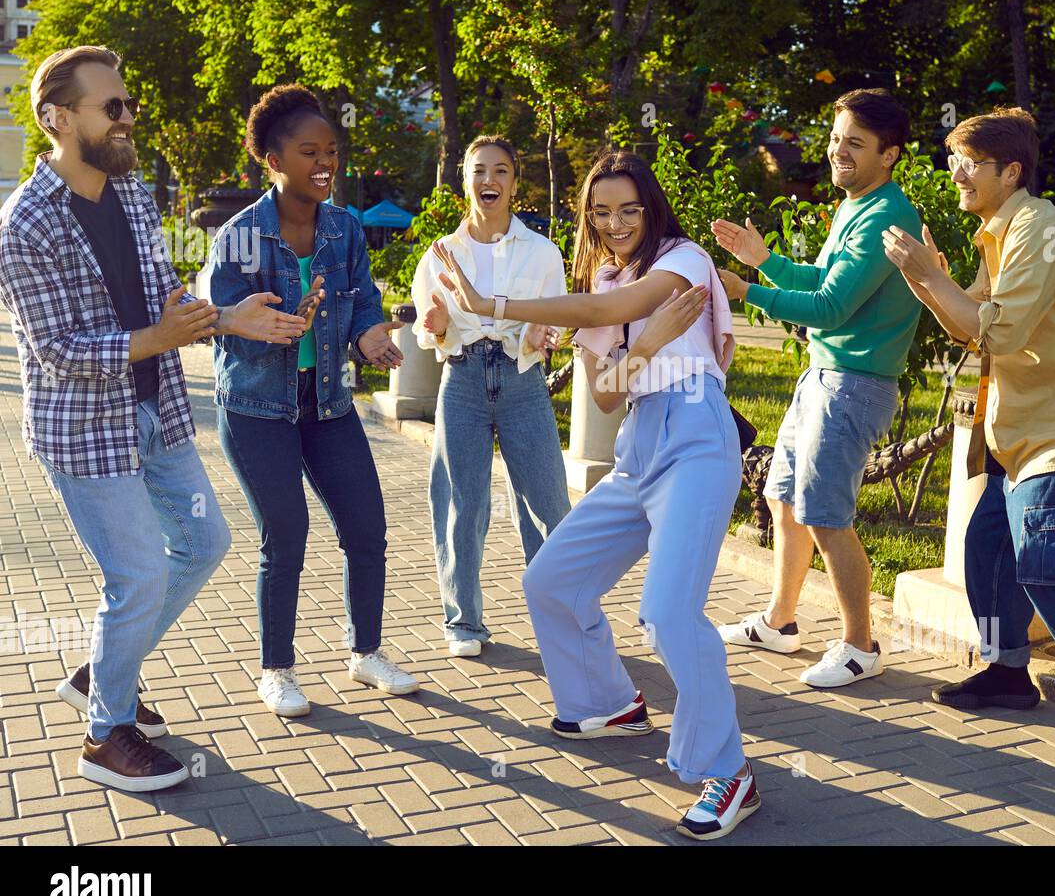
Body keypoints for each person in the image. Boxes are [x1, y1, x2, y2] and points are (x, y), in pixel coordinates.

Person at [0, 46, 311, 791]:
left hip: (156, 406)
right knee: (136, 572)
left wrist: (226, 318)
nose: (128, 116)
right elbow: (56, 352)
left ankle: (103, 669)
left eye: (128, 102)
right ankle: (105, 733)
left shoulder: (132, 193)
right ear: (57, 118)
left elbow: (164, 297)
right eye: (112, 106)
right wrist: (158, 337)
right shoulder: (23, 223)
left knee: (205, 539)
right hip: (84, 429)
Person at [435, 149, 759, 841]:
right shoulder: (605, 278)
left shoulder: (686, 258)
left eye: (628, 209)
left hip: (697, 435)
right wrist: (645, 347)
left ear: (652, 207)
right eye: (601, 212)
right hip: (638, 443)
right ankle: (609, 703)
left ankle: (729, 770)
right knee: (551, 578)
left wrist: (493, 303)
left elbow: (612, 308)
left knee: (669, 613)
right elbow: (610, 392)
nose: (615, 225)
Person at [882, 107, 1055, 776]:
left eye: (968, 161)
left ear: (1010, 170)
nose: (955, 171)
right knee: (986, 547)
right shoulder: (999, 232)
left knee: (1046, 567)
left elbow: (995, 332)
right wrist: (924, 279)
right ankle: (1009, 672)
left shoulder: (1040, 230)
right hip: (1029, 432)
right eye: (952, 157)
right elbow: (969, 322)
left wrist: (931, 276)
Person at [205, 83, 419, 718]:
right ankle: (276, 670)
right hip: (256, 409)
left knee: (367, 528)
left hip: (327, 404)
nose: (325, 162)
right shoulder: (239, 238)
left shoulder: (345, 229)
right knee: (287, 535)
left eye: (331, 150)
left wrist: (369, 337)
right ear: (272, 161)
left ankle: (365, 653)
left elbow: (363, 301)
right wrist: (251, 324)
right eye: (308, 152)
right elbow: (211, 319)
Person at [710, 88, 924, 688]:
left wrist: (747, 290)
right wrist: (764, 259)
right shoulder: (855, 205)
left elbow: (829, 306)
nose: (838, 152)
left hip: (853, 384)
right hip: (823, 375)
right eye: (835, 139)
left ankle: (860, 645)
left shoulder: (887, 214)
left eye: (855, 143)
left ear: (891, 155)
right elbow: (822, 279)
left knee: (826, 515)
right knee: (782, 497)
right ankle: (780, 622)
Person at [412, 136, 570, 657]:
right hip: (461, 382)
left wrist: (541, 334)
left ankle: (559, 617)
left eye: (501, 171)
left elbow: (557, 317)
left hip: (521, 382)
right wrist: (433, 328)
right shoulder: (441, 254)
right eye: (479, 171)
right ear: (464, 180)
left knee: (547, 503)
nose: (489, 181)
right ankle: (463, 623)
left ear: (515, 183)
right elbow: (426, 326)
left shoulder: (543, 252)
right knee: (463, 502)